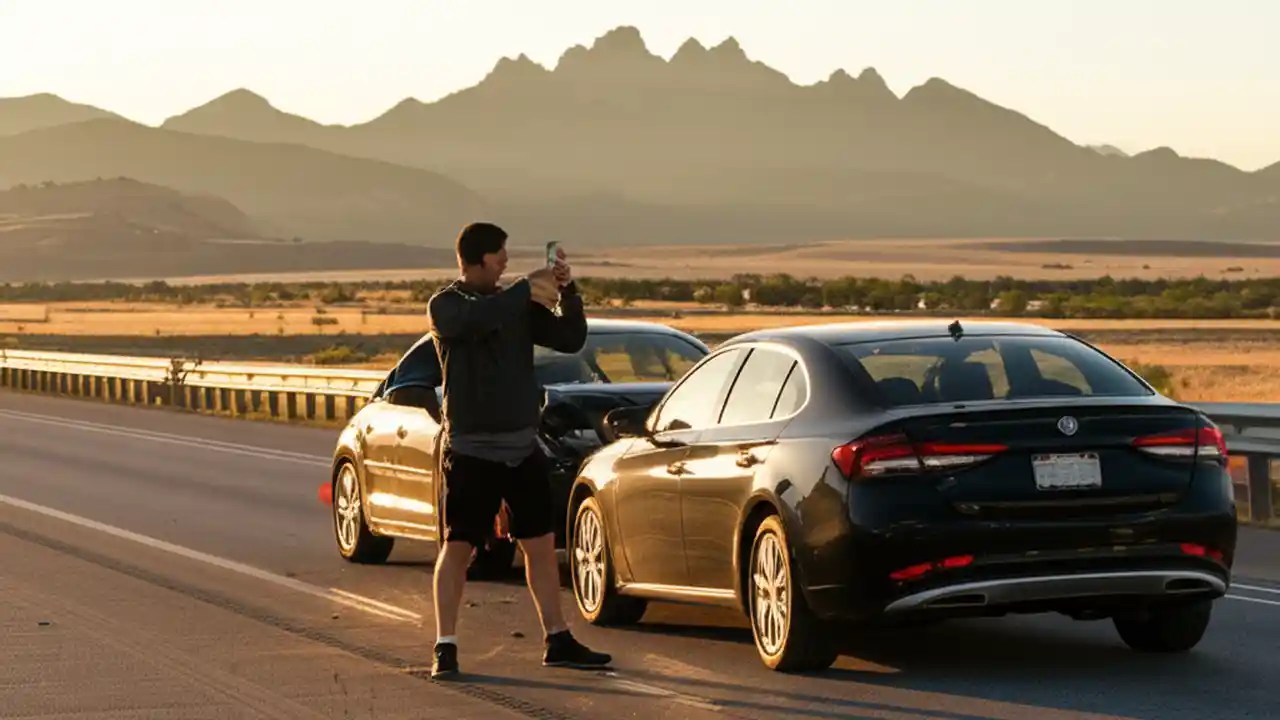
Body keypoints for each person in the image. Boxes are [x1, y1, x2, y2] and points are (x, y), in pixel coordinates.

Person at [427, 221, 611, 679]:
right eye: (501, 255)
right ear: (481, 258)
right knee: (458, 547)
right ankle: (445, 646)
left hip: (521, 446)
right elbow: (474, 322)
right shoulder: (446, 305)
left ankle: (558, 639)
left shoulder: (516, 306)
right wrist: (524, 289)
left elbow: (569, 339)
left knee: (541, 546)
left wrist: (568, 292)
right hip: (471, 450)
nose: (507, 261)